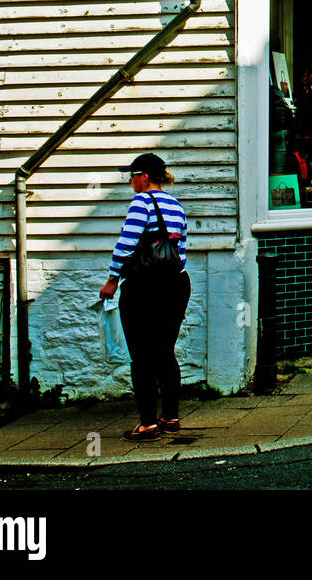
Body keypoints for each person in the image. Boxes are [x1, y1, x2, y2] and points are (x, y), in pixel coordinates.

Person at [101, 153, 190, 442]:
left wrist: (112, 280)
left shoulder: (141, 202)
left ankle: (148, 424)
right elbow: (181, 250)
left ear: (145, 177)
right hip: (176, 284)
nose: (130, 181)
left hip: (145, 286)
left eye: (133, 175)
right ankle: (171, 416)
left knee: (141, 355)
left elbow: (126, 244)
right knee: (165, 351)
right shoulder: (176, 205)